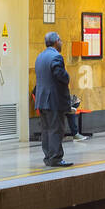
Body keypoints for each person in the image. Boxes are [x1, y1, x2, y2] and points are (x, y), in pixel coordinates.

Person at [35, 31, 72, 167]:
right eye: (61, 40)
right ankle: (56, 158)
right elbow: (59, 75)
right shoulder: (56, 56)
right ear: (56, 42)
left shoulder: (40, 56)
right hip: (54, 100)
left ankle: (48, 157)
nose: (61, 43)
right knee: (56, 129)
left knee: (46, 129)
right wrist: (67, 77)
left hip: (41, 99)